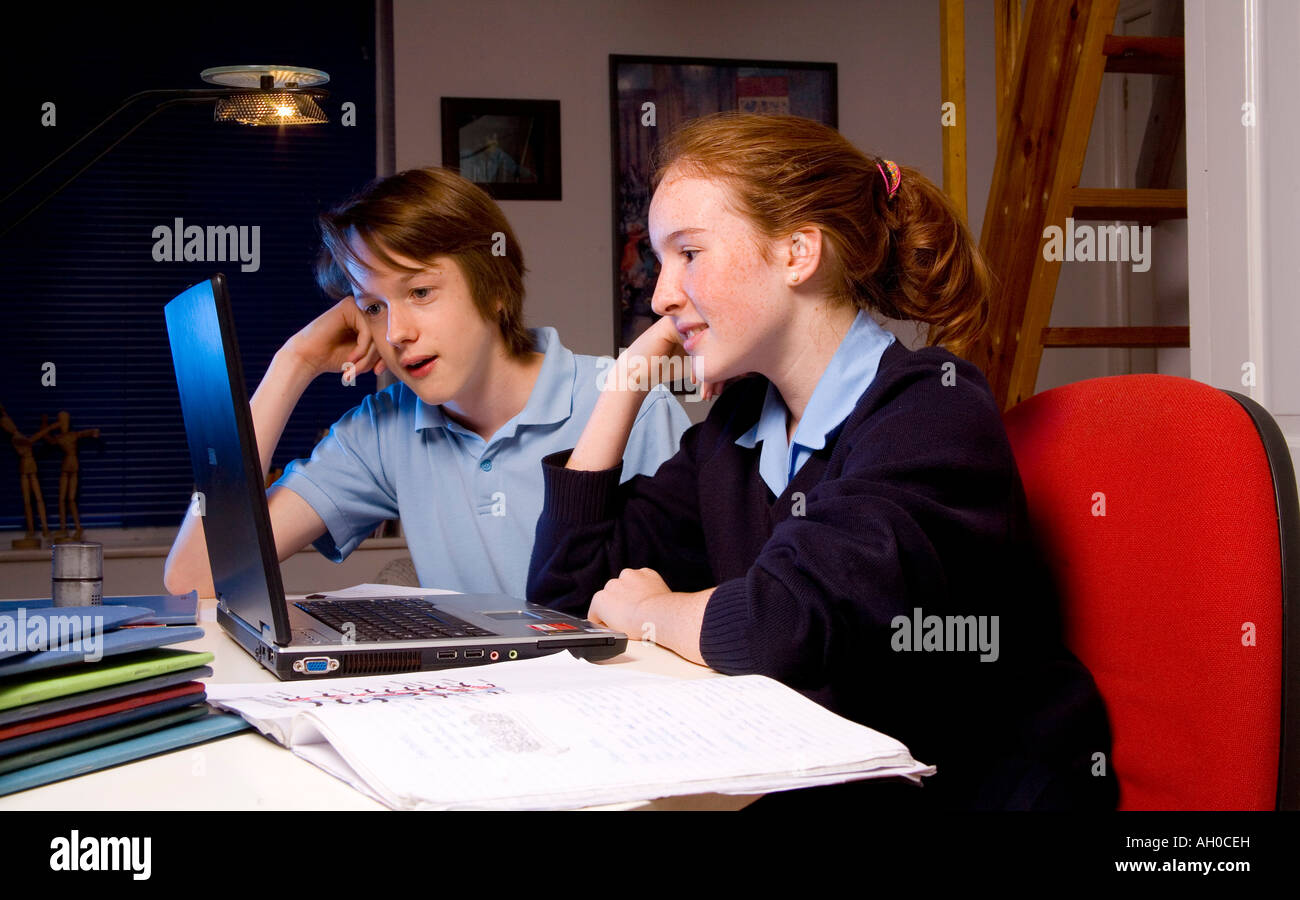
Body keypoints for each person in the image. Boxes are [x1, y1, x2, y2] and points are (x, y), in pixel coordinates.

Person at [527, 112, 1117, 810]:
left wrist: (654, 610)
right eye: (659, 261)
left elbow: (785, 625)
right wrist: (625, 382)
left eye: (689, 253)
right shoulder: (738, 432)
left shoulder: (931, 410)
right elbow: (564, 594)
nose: (661, 296)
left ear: (798, 253)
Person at [164, 167, 689, 599]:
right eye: (372, 307)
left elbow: (693, 603)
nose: (395, 332)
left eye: (419, 292)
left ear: (495, 289)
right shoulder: (385, 428)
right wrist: (291, 363)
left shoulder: (630, 403)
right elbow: (195, 581)